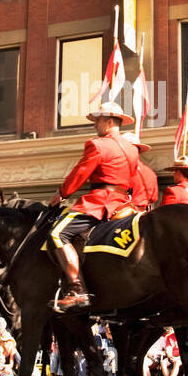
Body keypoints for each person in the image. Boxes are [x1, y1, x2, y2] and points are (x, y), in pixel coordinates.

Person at [47, 101, 139, 312]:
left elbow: (80, 173)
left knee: (56, 234)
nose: (95, 125)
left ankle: (77, 289)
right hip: (124, 203)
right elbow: (132, 180)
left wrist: (61, 194)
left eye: (97, 120)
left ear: (108, 121)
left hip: (101, 201)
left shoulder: (97, 145)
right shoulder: (132, 149)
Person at [122, 132, 158, 211]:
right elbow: (153, 198)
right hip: (144, 213)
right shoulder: (150, 172)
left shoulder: (122, 170)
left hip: (125, 215)